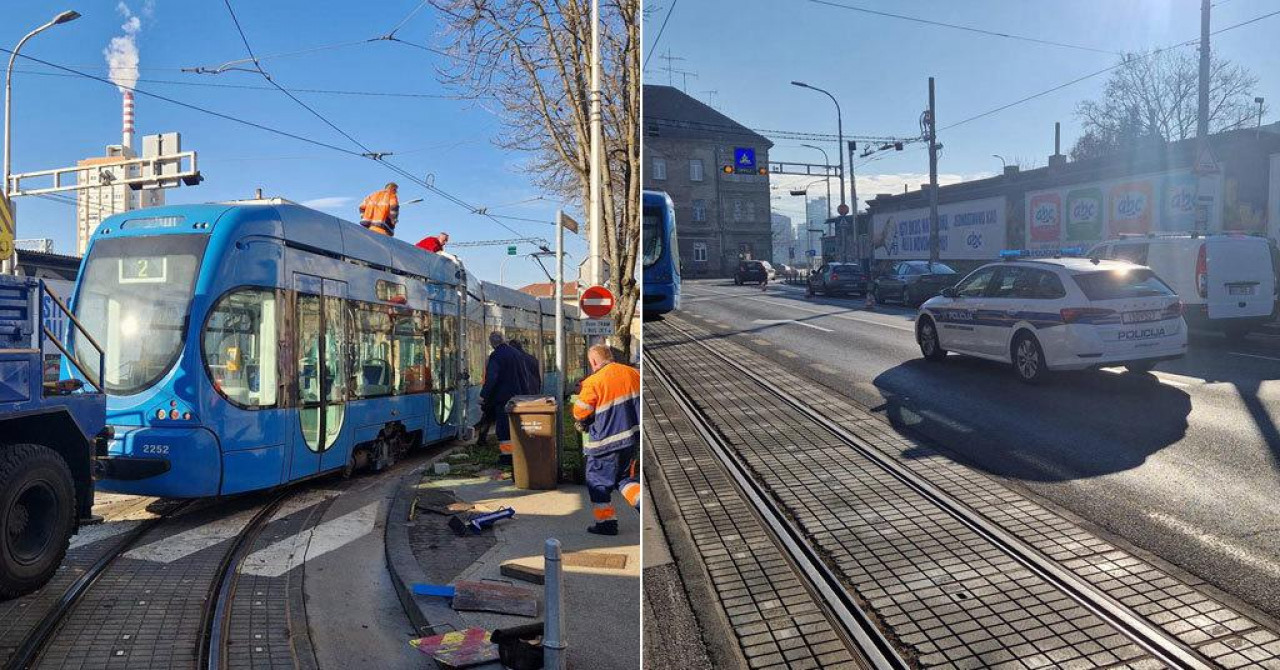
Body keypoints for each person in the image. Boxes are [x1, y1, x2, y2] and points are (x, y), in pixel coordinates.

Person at [572, 344, 641, 536]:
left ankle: (606, 524)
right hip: (631, 440)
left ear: (594, 361)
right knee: (625, 479)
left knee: (598, 482)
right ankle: (642, 504)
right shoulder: (634, 373)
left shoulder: (594, 381)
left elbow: (580, 412)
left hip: (604, 443)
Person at [480, 332, 532, 459]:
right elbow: (524, 376)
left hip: (503, 399)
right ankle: (519, 454)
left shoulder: (496, 356)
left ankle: (507, 457)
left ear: (492, 343)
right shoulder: (517, 354)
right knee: (516, 427)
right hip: (519, 397)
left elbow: (492, 378)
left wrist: (483, 395)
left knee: (503, 430)